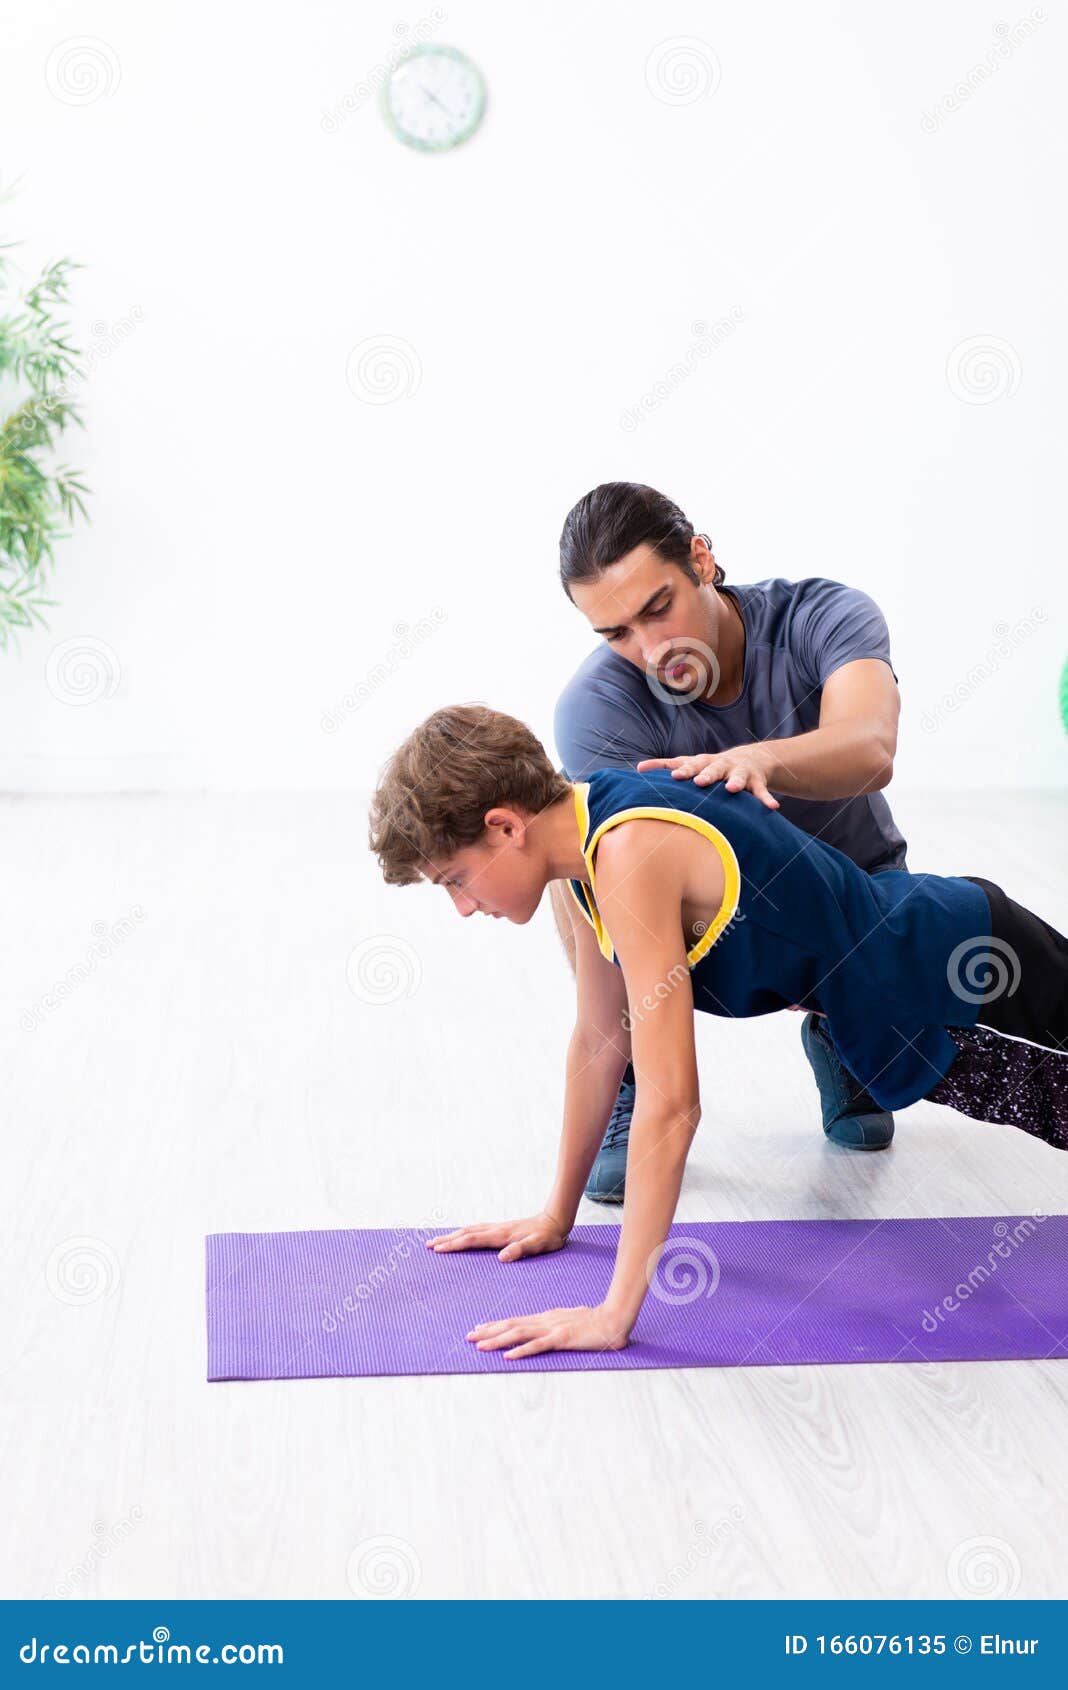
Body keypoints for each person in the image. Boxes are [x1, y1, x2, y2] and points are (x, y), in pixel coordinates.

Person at [368, 704, 1067, 1360]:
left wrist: (614, 1314)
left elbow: (671, 1103)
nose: (463, 907)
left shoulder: (628, 852)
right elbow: (601, 1040)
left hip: (949, 968)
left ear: (504, 826)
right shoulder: (581, 857)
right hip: (912, 977)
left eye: (456, 879)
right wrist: (556, 1217)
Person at [553, 481, 907, 1201]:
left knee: (907, 1033)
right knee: (576, 866)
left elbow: (872, 746)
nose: (652, 649)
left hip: (857, 890)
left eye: (659, 608)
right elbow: (625, 885)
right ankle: (627, 1079)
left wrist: (762, 759)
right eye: (616, 633)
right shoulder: (596, 707)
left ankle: (844, 1032)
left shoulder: (823, 615)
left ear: (701, 559)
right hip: (718, 922)